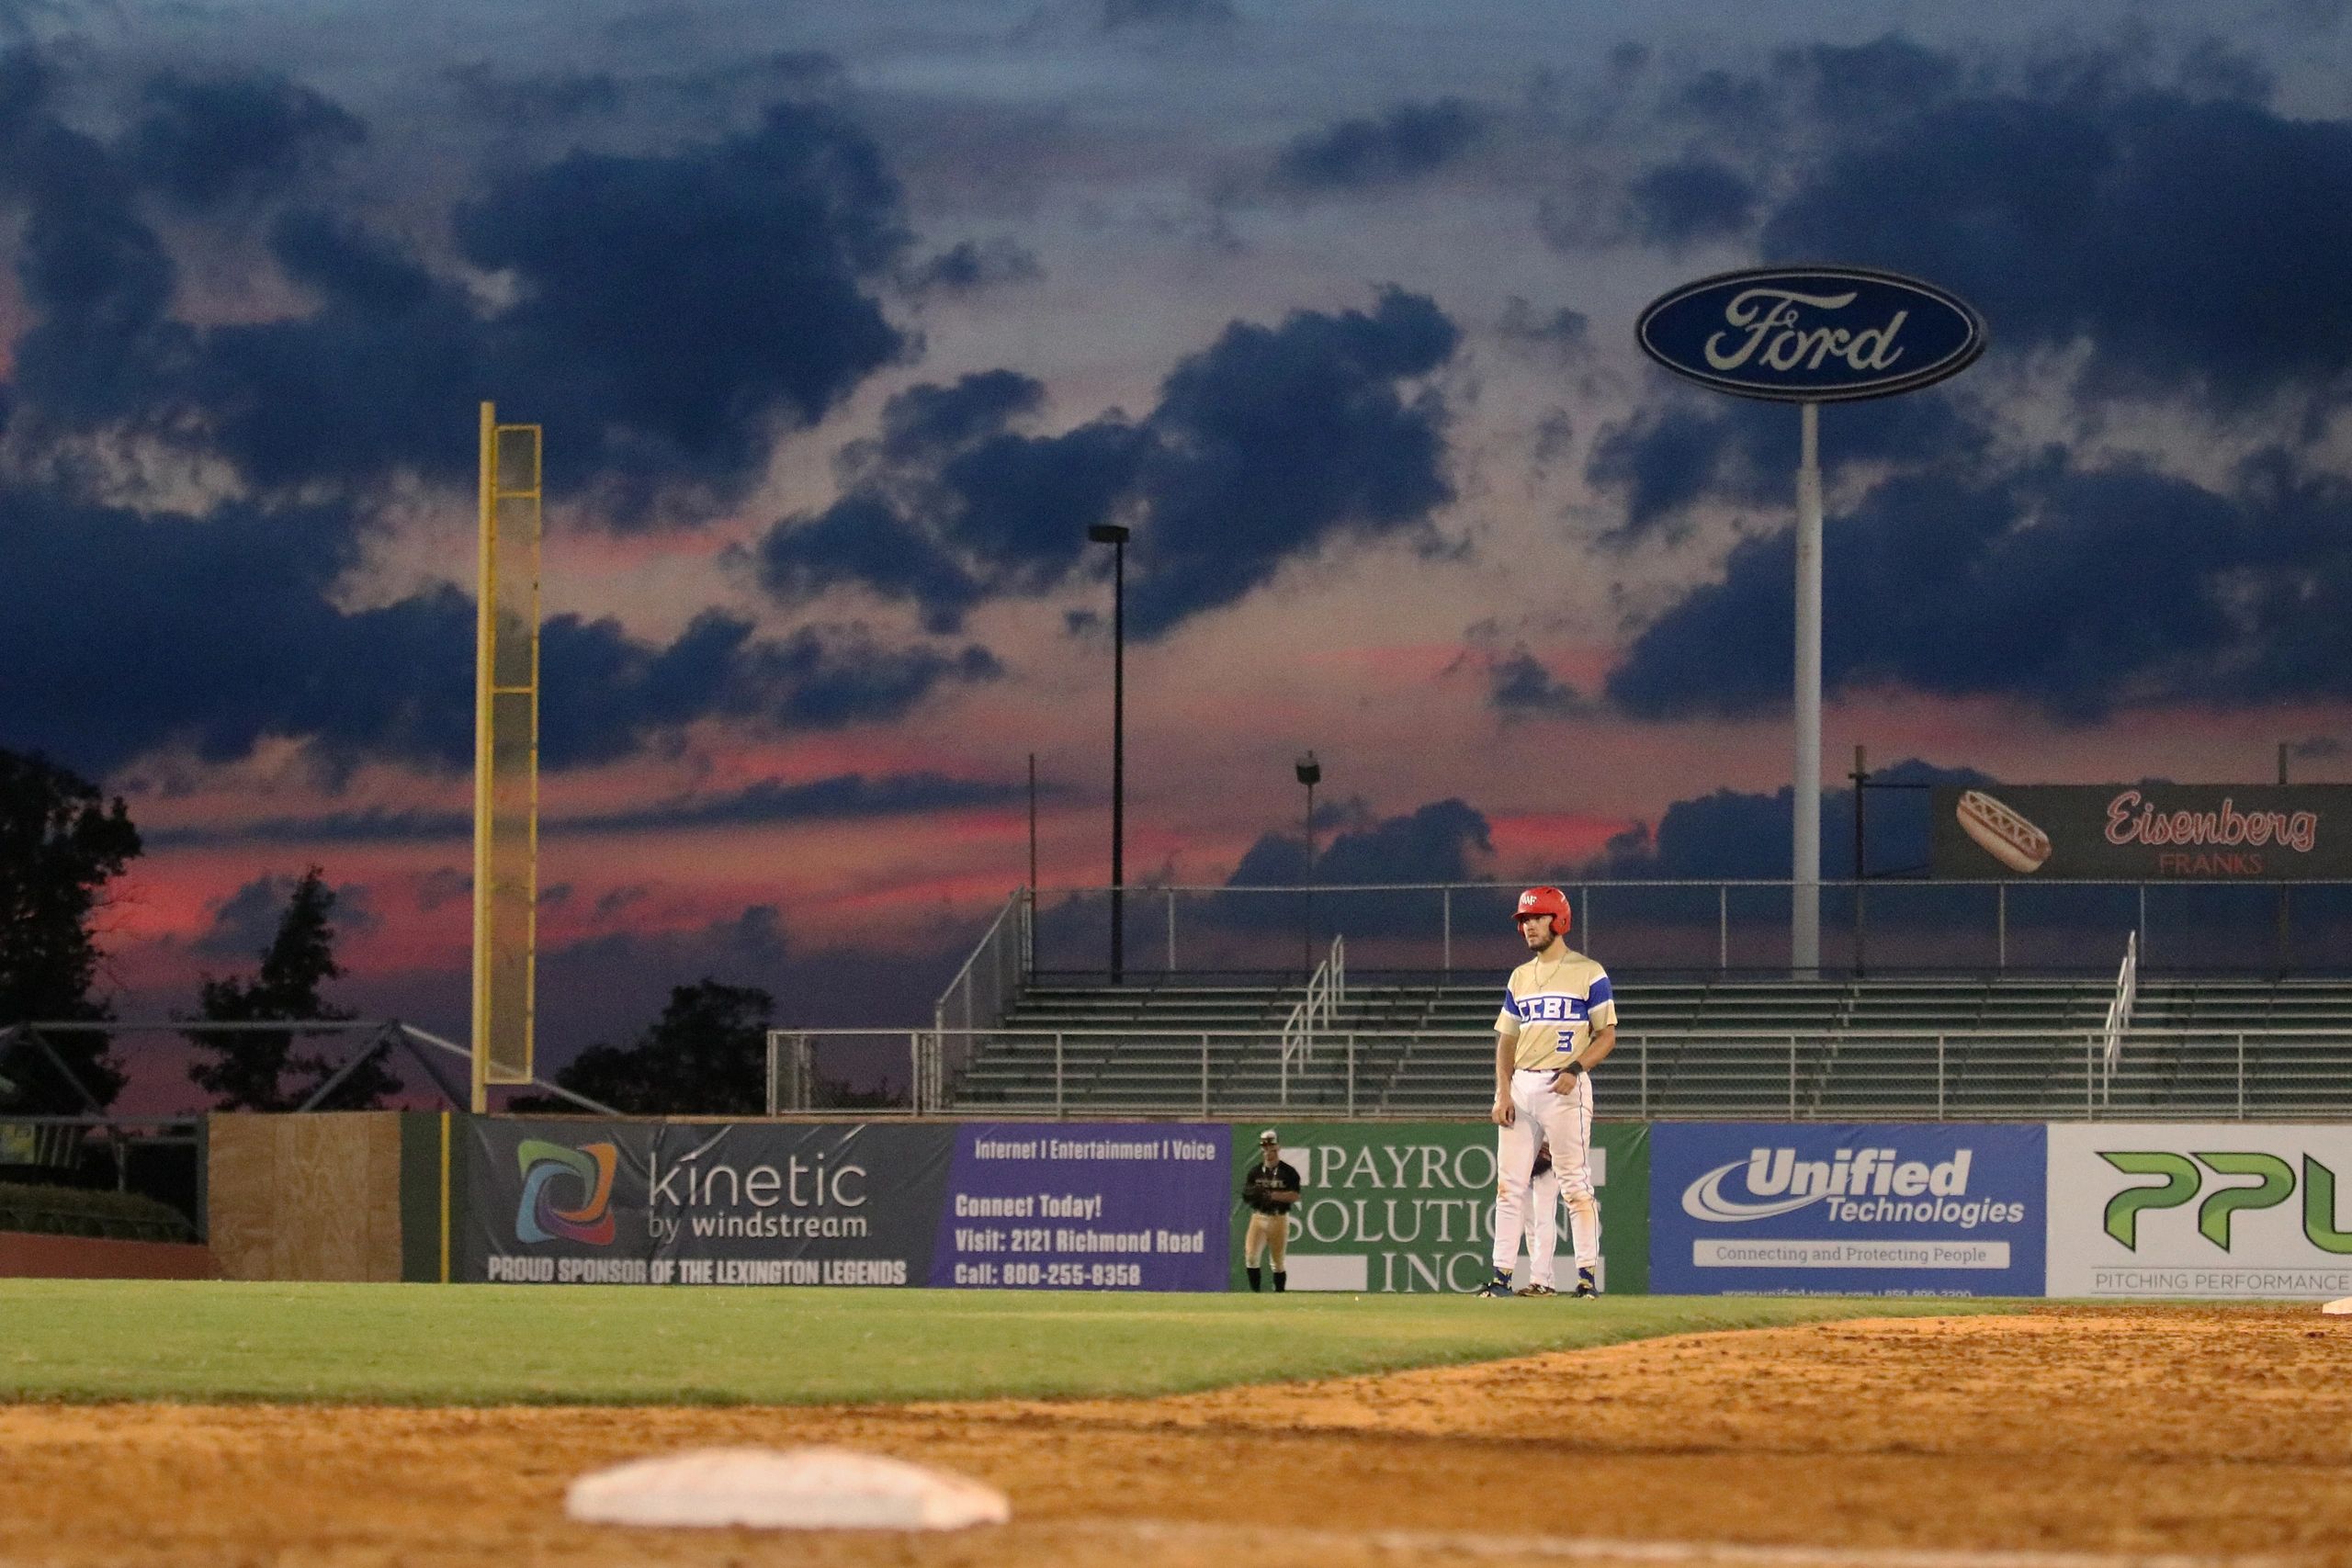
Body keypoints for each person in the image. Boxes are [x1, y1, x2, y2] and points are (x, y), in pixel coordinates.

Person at [1476, 886, 1614, 1299]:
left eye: (1536, 918)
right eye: (1524, 920)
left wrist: (1576, 1067)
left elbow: (1607, 1036)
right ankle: (1501, 1278)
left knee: (1575, 1186)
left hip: (1564, 1085)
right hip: (1522, 1085)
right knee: (1509, 1187)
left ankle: (1586, 1278)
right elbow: (1506, 1040)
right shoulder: (1520, 976)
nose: (1529, 926)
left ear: (1559, 920)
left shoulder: (1588, 971)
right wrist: (1502, 1093)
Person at [1239, 1129, 1301, 1292]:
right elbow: (1247, 1193)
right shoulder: (1255, 1172)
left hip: (1278, 1217)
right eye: (1265, 1146)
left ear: (1278, 1147)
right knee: (1251, 1257)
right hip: (1259, 1216)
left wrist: (1271, 1195)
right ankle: (1255, 1295)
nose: (1268, 1150)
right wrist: (1253, 1196)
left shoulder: (1288, 1172)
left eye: (1271, 1146)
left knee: (1277, 1262)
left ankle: (1279, 1294)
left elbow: (1295, 1195)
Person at [1511, 1137, 1561, 1296]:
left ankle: (1542, 1281)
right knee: (1531, 1224)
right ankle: (1542, 1280)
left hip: (1550, 1151)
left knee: (1543, 1217)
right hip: (1526, 1153)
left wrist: (1548, 1147)